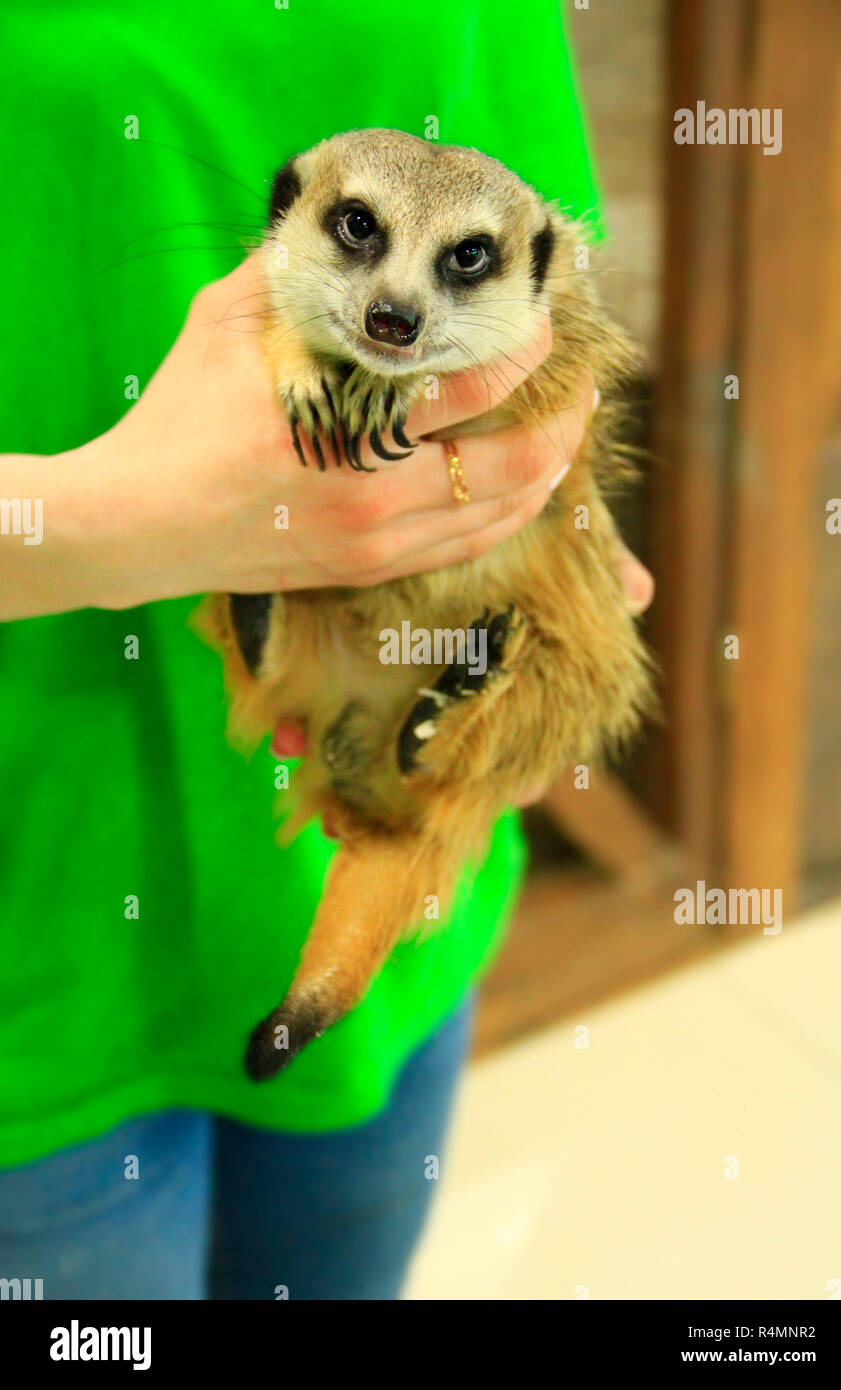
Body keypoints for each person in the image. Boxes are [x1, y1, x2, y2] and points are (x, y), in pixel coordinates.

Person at [0, 0, 652, 1299]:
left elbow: (552, 346)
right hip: (41, 926)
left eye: (452, 267)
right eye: (355, 237)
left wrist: (528, 659)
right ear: (291, 209)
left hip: (401, 860)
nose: (398, 304)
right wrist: (91, 530)